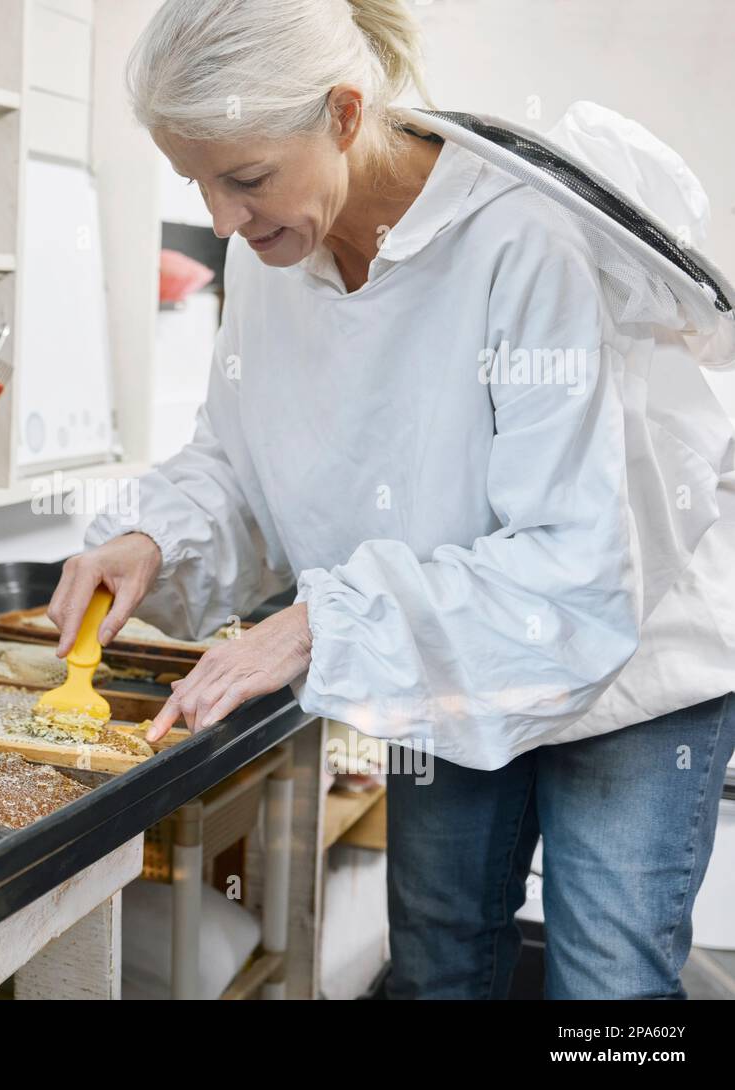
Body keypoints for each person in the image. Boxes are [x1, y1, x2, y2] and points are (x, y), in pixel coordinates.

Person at [47, 0, 735, 999]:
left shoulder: (519, 239)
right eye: (195, 182)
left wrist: (317, 625)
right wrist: (153, 534)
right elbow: (242, 464)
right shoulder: (266, 258)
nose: (221, 221)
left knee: (610, 981)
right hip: (453, 655)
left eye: (243, 178)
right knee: (438, 952)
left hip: (633, 672)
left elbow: (572, 566)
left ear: (340, 113)